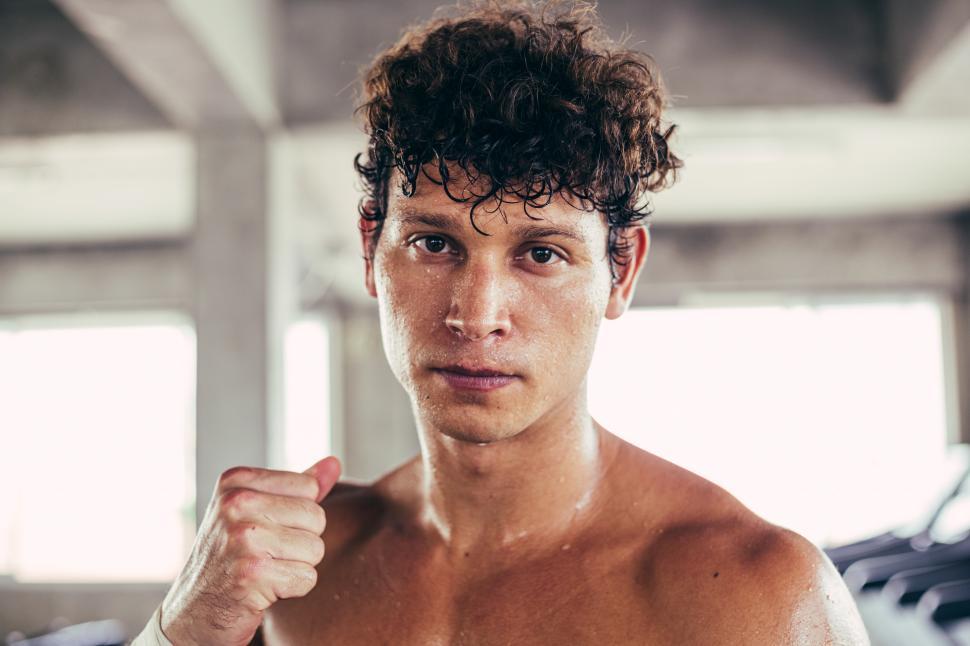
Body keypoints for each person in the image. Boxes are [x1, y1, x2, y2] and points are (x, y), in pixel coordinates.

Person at [133, 1, 871, 644]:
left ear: (623, 270)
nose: (475, 315)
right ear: (371, 250)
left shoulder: (760, 595)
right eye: (433, 244)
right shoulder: (291, 572)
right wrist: (179, 632)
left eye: (541, 253)